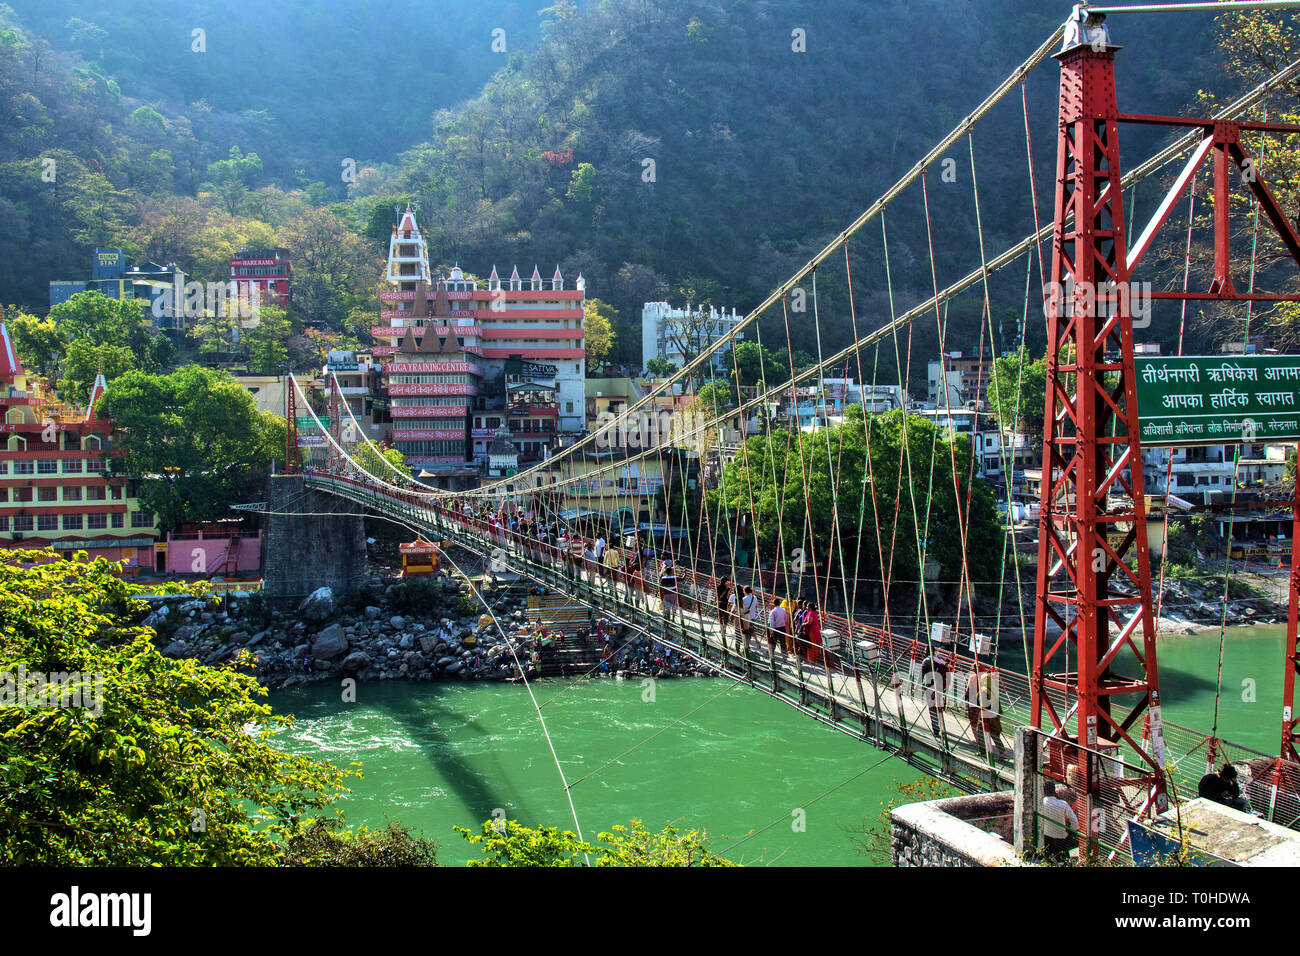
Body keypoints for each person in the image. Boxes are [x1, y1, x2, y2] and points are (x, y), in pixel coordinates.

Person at [1040, 783, 1079, 862]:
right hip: (1061, 837)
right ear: (1054, 791)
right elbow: (1074, 821)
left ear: (1044, 791)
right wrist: (1071, 832)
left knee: (1047, 860)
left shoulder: (1041, 803)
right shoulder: (1063, 804)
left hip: (1046, 836)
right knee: (1064, 861)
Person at [919, 649, 949, 738]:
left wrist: (918, 686)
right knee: (938, 707)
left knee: (932, 708)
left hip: (931, 687)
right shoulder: (938, 660)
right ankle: (941, 727)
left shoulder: (926, 661)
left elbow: (921, 675)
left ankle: (936, 730)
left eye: (925, 650)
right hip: (939, 687)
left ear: (927, 652)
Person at [715, 576, 733, 640]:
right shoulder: (728, 588)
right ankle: (724, 629)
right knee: (725, 616)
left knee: (720, 616)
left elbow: (716, 595)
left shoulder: (718, 587)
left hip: (719, 603)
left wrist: (715, 602)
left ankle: (721, 628)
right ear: (725, 581)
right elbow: (729, 596)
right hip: (725, 603)